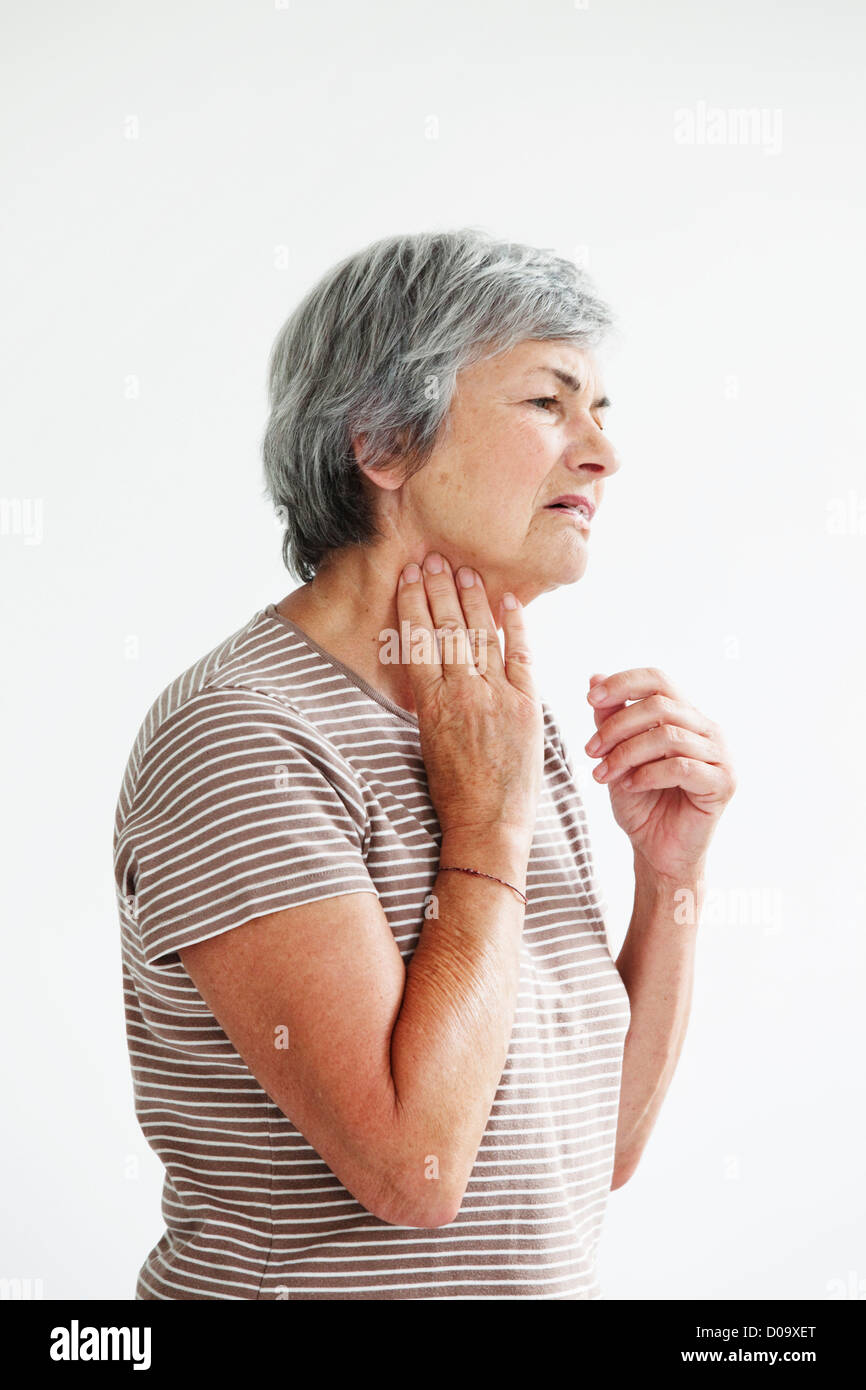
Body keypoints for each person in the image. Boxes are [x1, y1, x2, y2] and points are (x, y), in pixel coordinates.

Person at [113, 227, 736, 1300]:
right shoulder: (242, 738)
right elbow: (417, 1168)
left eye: (599, 411)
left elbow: (597, 1152)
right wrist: (485, 828)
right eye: (548, 402)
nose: (600, 452)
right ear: (384, 441)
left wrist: (669, 876)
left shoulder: (487, 719)